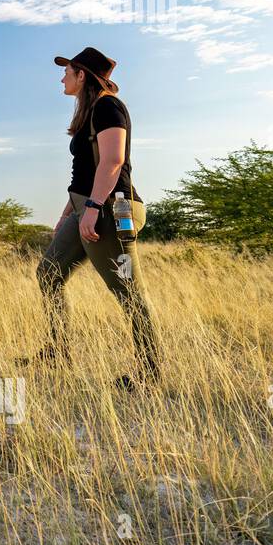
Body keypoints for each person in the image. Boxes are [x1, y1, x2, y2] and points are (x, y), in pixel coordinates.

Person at [30, 47, 160, 389]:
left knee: (128, 290)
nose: (62, 78)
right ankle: (57, 352)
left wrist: (91, 209)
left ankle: (149, 372)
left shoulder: (107, 107)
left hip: (111, 210)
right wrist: (68, 213)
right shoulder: (90, 112)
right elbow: (86, 172)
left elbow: (113, 161)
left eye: (67, 71)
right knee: (49, 273)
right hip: (87, 207)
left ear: (82, 75)